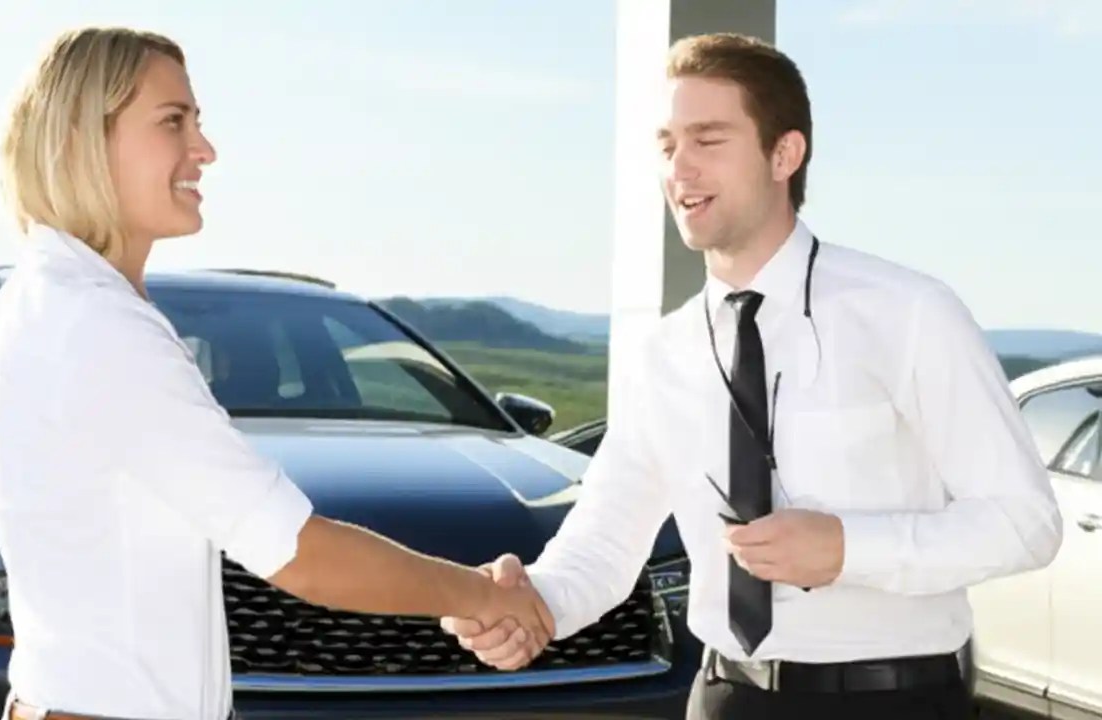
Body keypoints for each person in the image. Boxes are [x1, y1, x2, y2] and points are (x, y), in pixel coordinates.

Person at [440, 32, 1063, 720]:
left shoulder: (910, 313)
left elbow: (1024, 522)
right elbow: (606, 540)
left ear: (783, 154)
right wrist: (530, 603)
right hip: (724, 696)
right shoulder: (665, 351)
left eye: (708, 140)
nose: (679, 169)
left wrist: (849, 547)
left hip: (894, 701)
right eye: (667, 144)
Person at [0, 27, 552, 720]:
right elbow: (297, 552)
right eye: (172, 121)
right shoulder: (98, 329)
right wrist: (480, 595)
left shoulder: (38, 304)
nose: (203, 150)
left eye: (198, 123)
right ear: (78, 139)